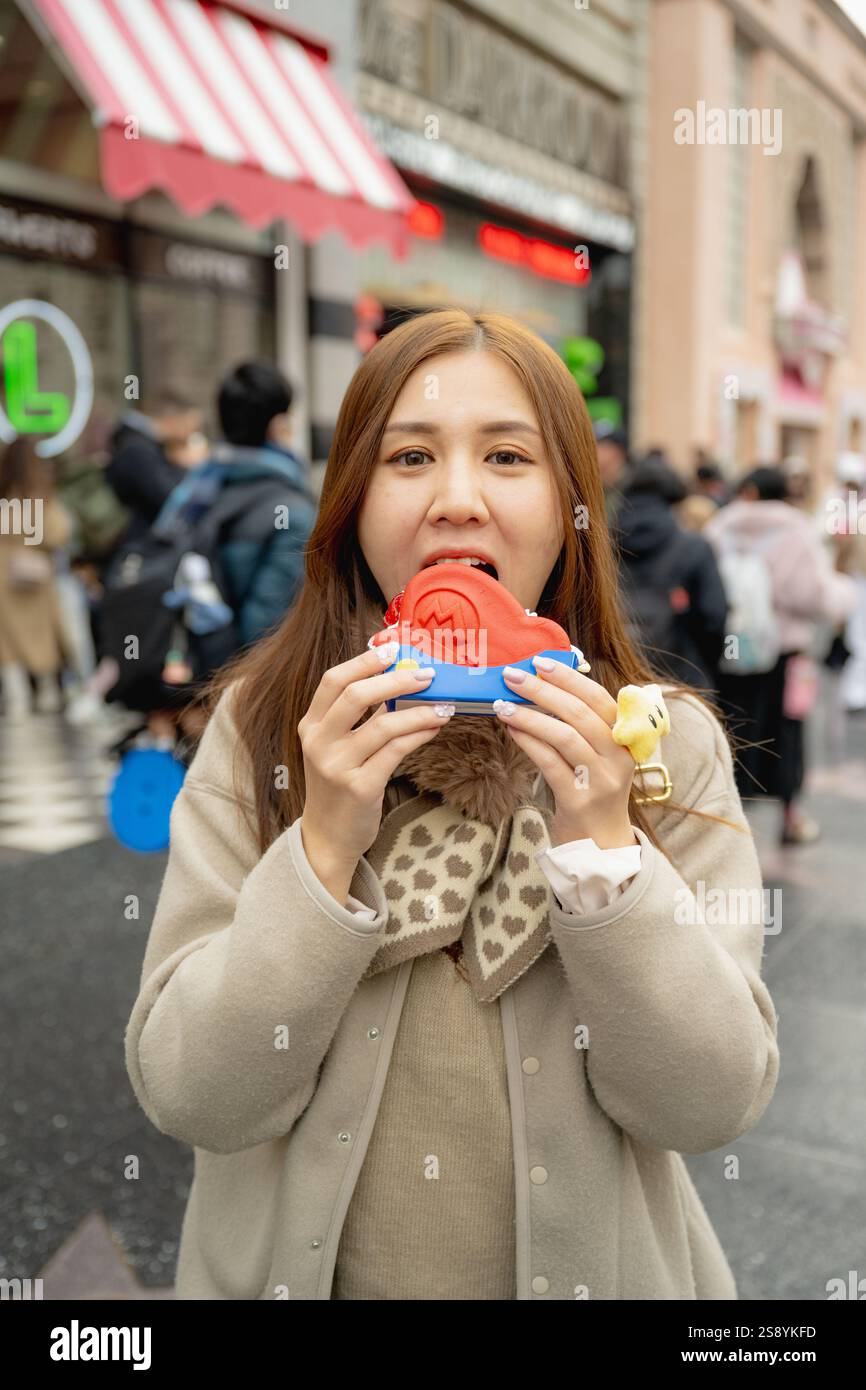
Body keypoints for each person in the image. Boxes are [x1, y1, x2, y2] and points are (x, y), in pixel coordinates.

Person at [125, 310, 779, 1301]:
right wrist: (322, 849)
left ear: (570, 506)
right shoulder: (265, 732)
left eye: (508, 456)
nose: (456, 500)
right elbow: (193, 1095)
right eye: (410, 457)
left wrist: (605, 855)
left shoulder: (655, 742)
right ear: (349, 500)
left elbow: (706, 1105)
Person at [705, 466, 855, 845]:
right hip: (785, 654)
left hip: (732, 650)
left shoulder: (720, 527)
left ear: (750, 490)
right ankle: (790, 818)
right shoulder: (797, 531)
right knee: (786, 733)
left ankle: (730, 823)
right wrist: (845, 593)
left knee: (733, 729)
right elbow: (814, 596)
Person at [616, 458, 728, 690]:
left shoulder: (599, 543)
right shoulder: (693, 546)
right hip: (681, 679)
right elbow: (714, 616)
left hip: (613, 679)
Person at [0, 437, 74, 717]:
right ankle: (47, 692)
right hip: (37, 580)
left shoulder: (5, 500)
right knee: (42, 635)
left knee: (7, 640)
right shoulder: (41, 501)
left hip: (3, 579)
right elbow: (60, 534)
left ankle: (17, 696)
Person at [105, 390, 203, 545]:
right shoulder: (138, 451)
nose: (192, 437)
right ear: (174, 421)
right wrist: (189, 467)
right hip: (133, 550)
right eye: (192, 429)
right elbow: (171, 500)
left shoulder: (142, 447)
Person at [592, 420, 631, 526]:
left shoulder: (636, 492)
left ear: (618, 452)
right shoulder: (597, 491)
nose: (593, 451)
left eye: (602, 446)